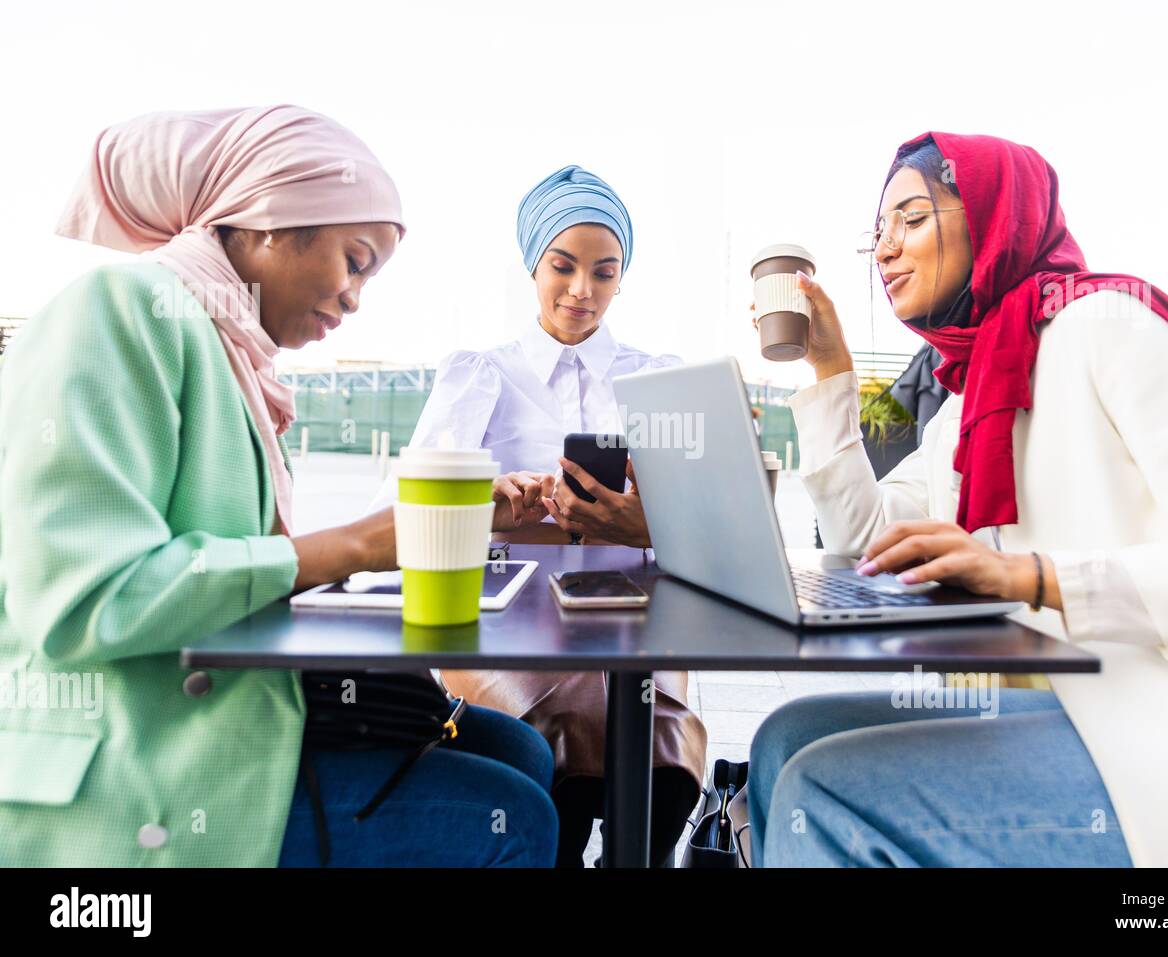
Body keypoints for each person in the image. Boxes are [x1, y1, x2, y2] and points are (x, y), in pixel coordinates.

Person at [0, 106, 558, 867]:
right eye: (355, 261)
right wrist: (352, 547)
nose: (357, 297)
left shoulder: (228, 354)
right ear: (270, 219)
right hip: (128, 764)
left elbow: (220, 563)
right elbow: (82, 597)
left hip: (205, 714)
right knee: (514, 813)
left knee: (517, 747)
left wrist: (411, 533)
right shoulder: (117, 313)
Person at [748, 132, 1168, 867]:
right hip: (1074, 706)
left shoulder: (1110, 323)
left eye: (912, 220)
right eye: (877, 233)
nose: (885, 249)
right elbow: (865, 535)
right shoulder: (973, 391)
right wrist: (829, 373)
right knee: (783, 739)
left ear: (993, 213)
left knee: (823, 790)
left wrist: (1036, 575)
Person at [370, 165, 706, 866]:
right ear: (533, 263)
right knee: (542, 756)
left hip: (633, 621)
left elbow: (704, 522)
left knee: (663, 760)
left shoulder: (658, 377)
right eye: (564, 266)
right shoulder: (479, 372)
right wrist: (493, 504)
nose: (583, 290)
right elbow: (414, 514)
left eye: (605, 273)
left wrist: (647, 517)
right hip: (508, 614)